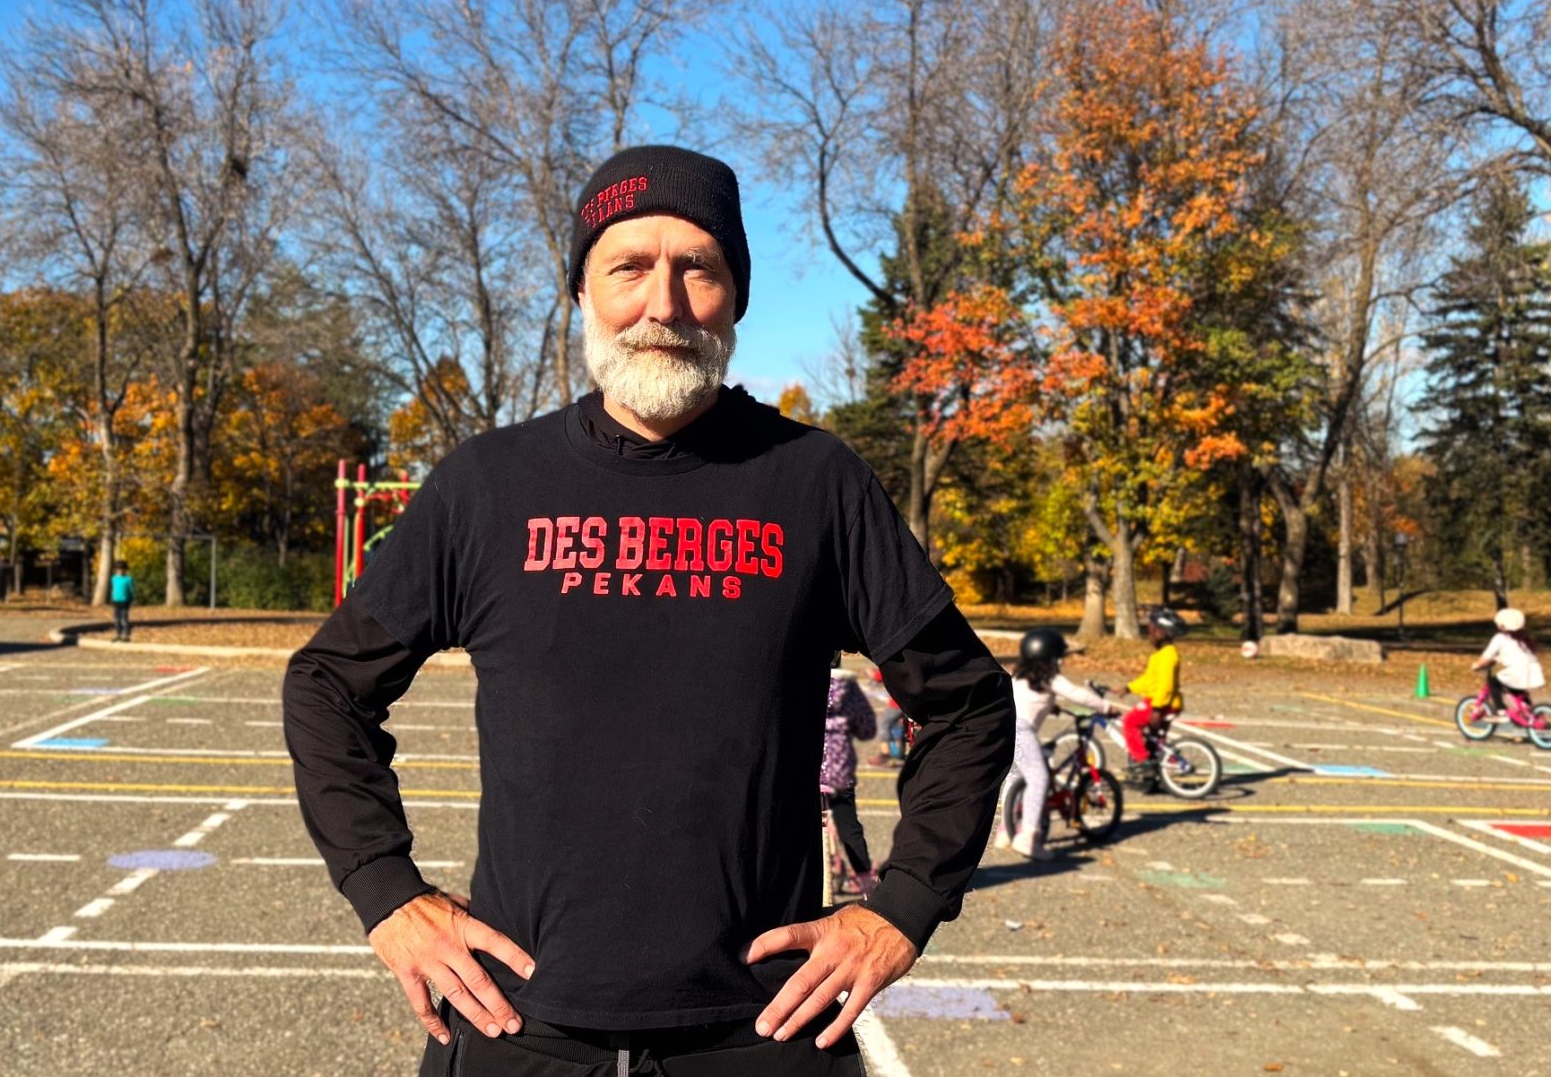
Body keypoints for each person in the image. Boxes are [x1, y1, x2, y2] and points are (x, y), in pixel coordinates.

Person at [284, 145, 1016, 1077]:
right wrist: (387, 894)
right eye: (628, 267)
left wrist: (901, 907)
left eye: (697, 268)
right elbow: (327, 688)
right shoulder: (489, 485)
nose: (662, 303)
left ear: (736, 298)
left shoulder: (814, 483)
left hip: (763, 1034)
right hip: (520, 1029)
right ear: (583, 294)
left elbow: (968, 702)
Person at [1007, 628, 1119, 860]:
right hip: (1021, 730)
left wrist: (1052, 706)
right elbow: (1079, 695)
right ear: (1051, 657)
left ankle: (1006, 831)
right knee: (1038, 778)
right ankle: (1027, 837)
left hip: (1006, 729)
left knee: (1016, 778)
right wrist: (1106, 707)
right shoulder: (1049, 678)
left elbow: (1030, 698)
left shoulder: (1021, 676)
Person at [823, 656, 878, 895]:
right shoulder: (848, 688)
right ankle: (867, 882)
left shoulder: (799, 682)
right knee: (849, 827)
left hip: (805, 768)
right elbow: (867, 729)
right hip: (839, 770)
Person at [1119, 607, 1187, 789]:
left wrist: (1157, 709)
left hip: (1162, 703)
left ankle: (1143, 762)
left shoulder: (1167, 656)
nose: (1149, 634)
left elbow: (1166, 685)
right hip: (1165, 701)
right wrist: (1128, 688)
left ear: (1161, 632)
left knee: (1130, 722)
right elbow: (1149, 680)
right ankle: (1153, 777)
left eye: (1151, 630)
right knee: (1154, 740)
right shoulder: (1160, 655)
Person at [1473, 607, 1544, 717]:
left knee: (1493, 683)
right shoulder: (1524, 638)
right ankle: (1528, 710)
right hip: (1532, 669)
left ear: (1502, 626)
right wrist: (1498, 659)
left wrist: (1477, 665)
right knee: (1515, 688)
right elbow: (1516, 654)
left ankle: (1500, 710)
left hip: (1517, 670)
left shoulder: (1500, 638)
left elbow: (1486, 657)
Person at [109, 560, 134, 642]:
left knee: (124, 618)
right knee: (117, 618)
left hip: (125, 601)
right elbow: (113, 589)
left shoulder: (128, 579)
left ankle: (126, 634)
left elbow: (131, 590)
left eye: (122, 569)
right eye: (118, 569)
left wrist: (131, 599)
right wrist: (112, 598)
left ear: (125, 570)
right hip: (116, 601)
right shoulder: (114, 578)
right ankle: (117, 634)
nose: (120, 571)